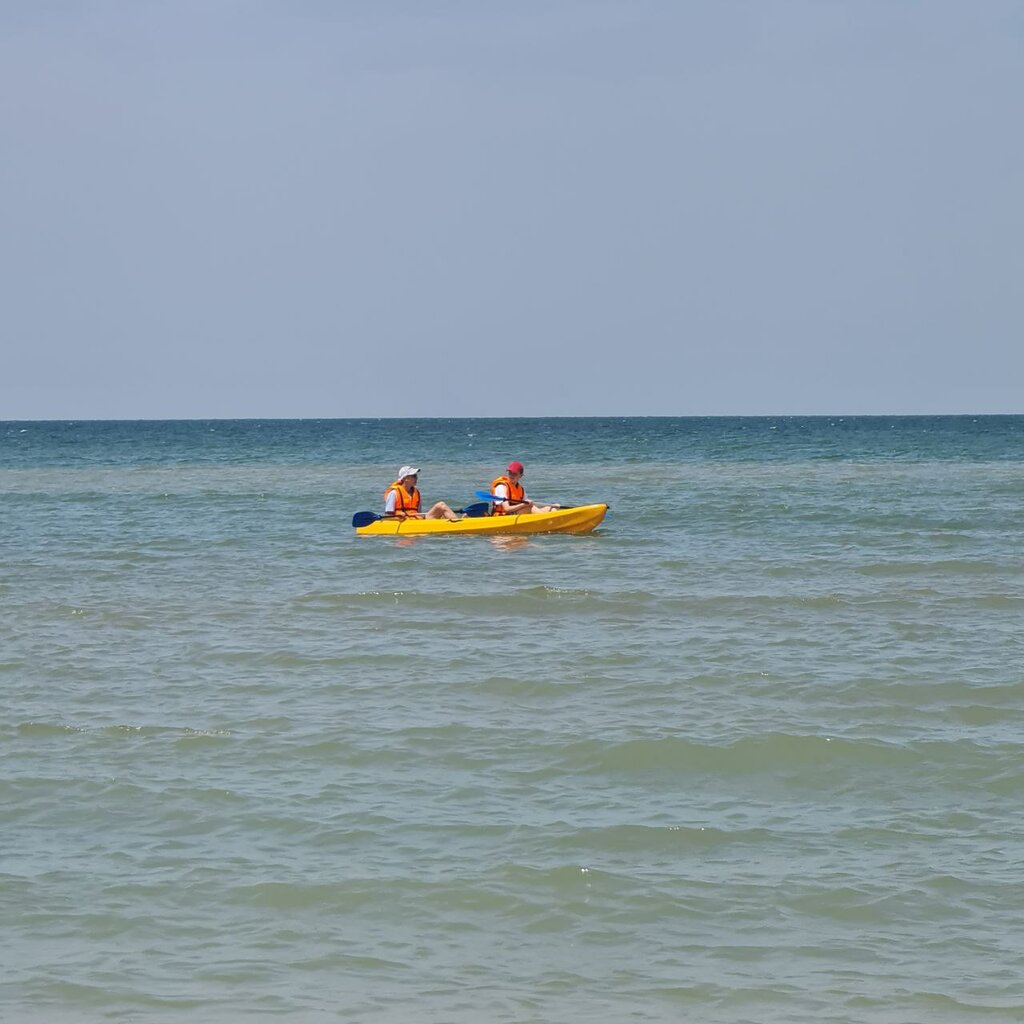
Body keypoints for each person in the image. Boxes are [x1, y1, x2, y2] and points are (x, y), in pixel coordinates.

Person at [384, 466, 461, 521]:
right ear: (405, 478)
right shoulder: (394, 493)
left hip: (417, 521)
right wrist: (398, 517)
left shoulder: (416, 492)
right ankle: (458, 524)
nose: (416, 478)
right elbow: (388, 516)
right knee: (441, 505)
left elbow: (418, 513)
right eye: (413, 476)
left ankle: (458, 523)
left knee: (441, 506)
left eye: (416, 476)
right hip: (405, 523)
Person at [490, 461, 559, 515]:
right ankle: (547, 521)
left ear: (521, 475)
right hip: (503, 516)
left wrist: (552, 505)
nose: (511, 475)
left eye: (515, 473)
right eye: (510, 473)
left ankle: (553, 522)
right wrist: (523, 505)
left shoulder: (521, 489)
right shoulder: (501, 487)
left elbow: (531, 504)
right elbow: (506, 509)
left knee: (550, 509)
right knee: (529, 507)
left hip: (515, 514)